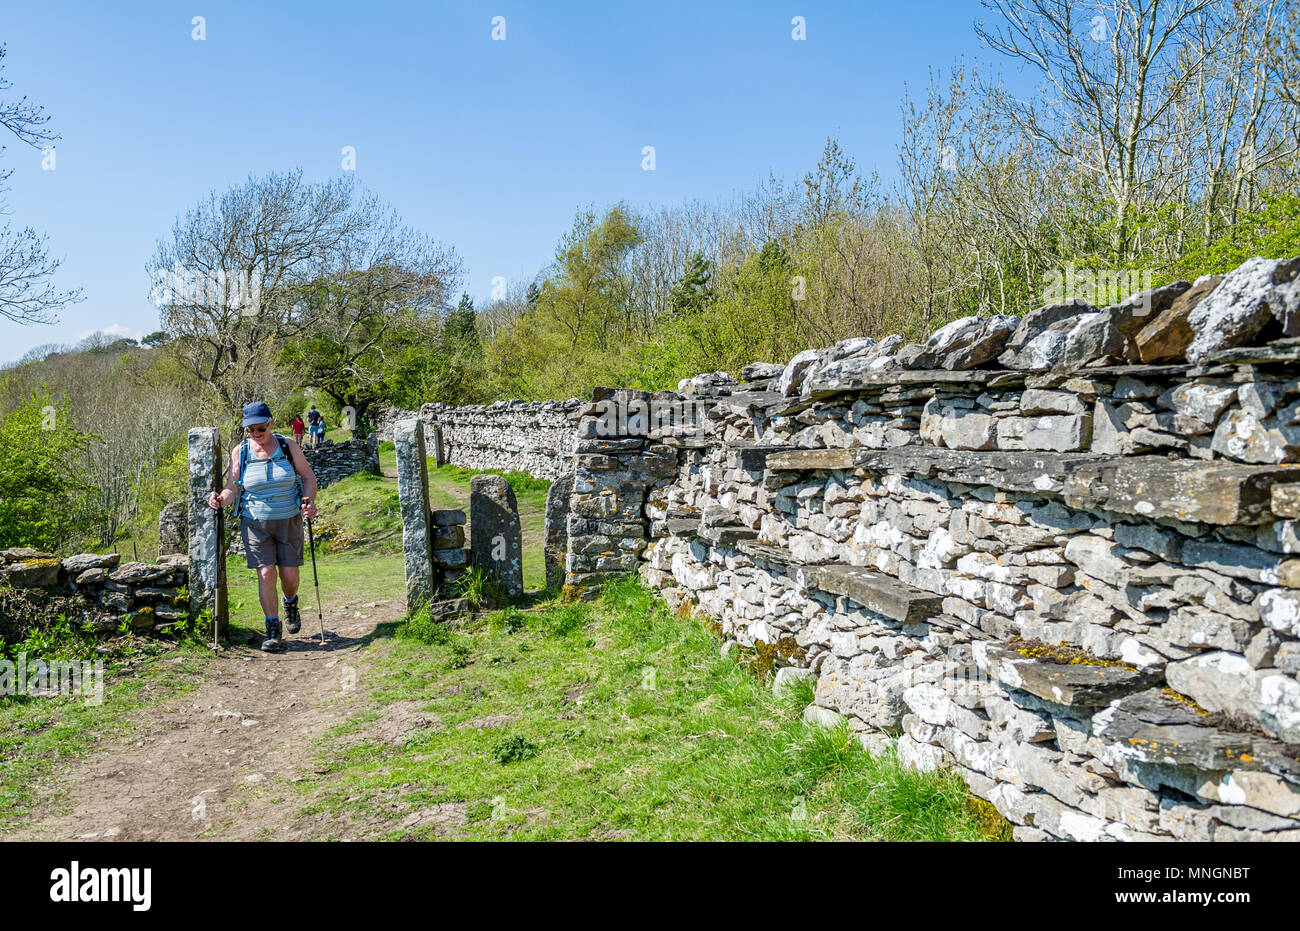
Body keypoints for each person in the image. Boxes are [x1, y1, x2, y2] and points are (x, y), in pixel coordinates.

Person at [206, 401, 319, 652]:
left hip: (289, 519)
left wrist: (310, 502)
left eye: (260, 428)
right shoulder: (241, 451)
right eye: (251, 430)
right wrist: (221, 499)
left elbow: (308, 477)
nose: (256, 434)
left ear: (270, 423)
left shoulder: (287, 445)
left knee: (289, 575)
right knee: (266, 573)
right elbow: (233, 486)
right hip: (254, 522)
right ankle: (272, 628)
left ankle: (290, 602)